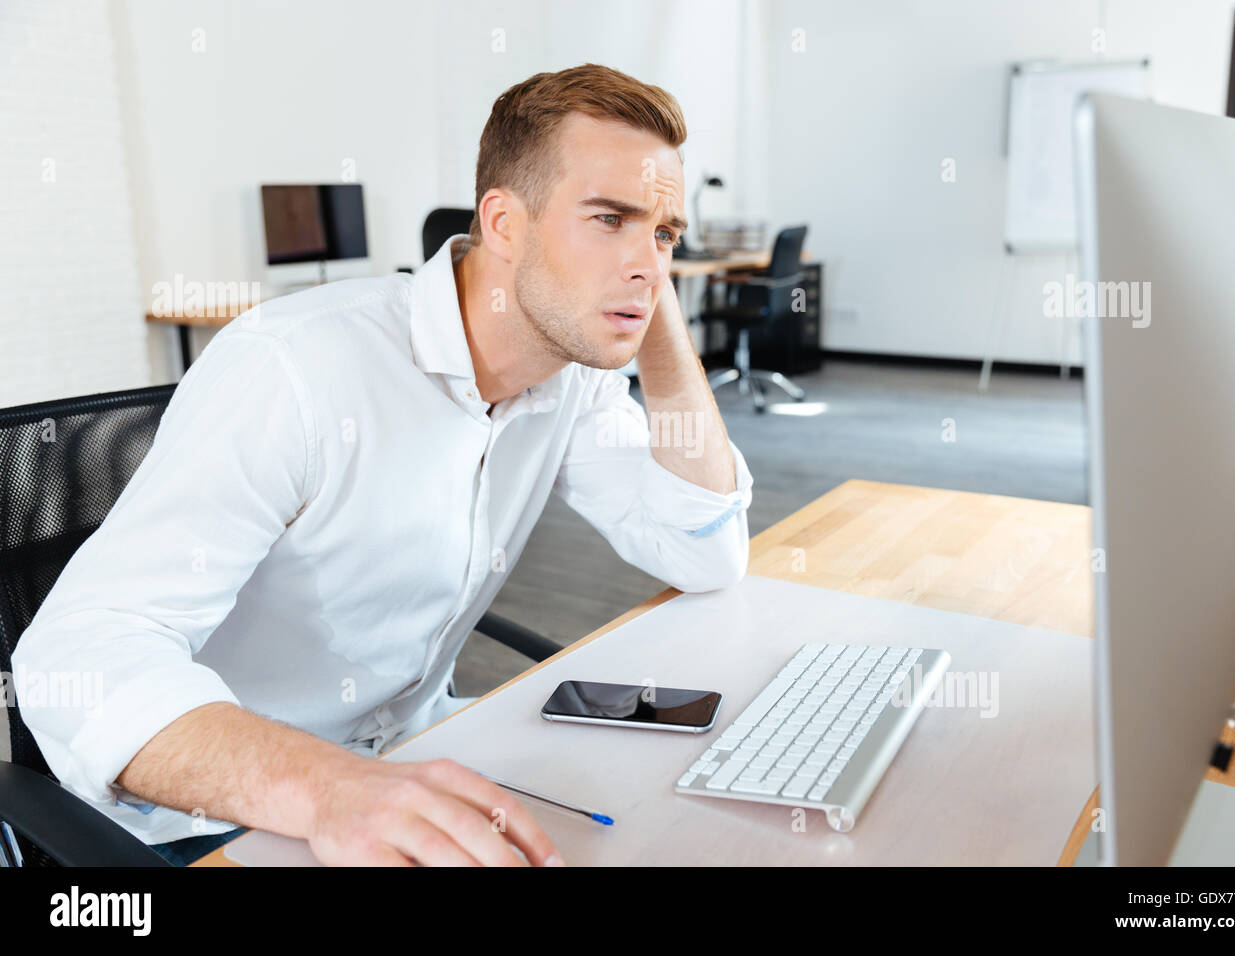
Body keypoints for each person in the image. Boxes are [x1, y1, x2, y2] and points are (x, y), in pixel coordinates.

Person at [13, 63, 753, 866]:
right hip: (231, 818)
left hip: (416, 768)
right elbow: (71, 660)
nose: (648, 260)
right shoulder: (293, 369)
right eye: (610, 217)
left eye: (665, 232)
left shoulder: (568, 377)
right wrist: (328, 790)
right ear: (504, 224)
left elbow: (704, 549)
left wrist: (649, 300)